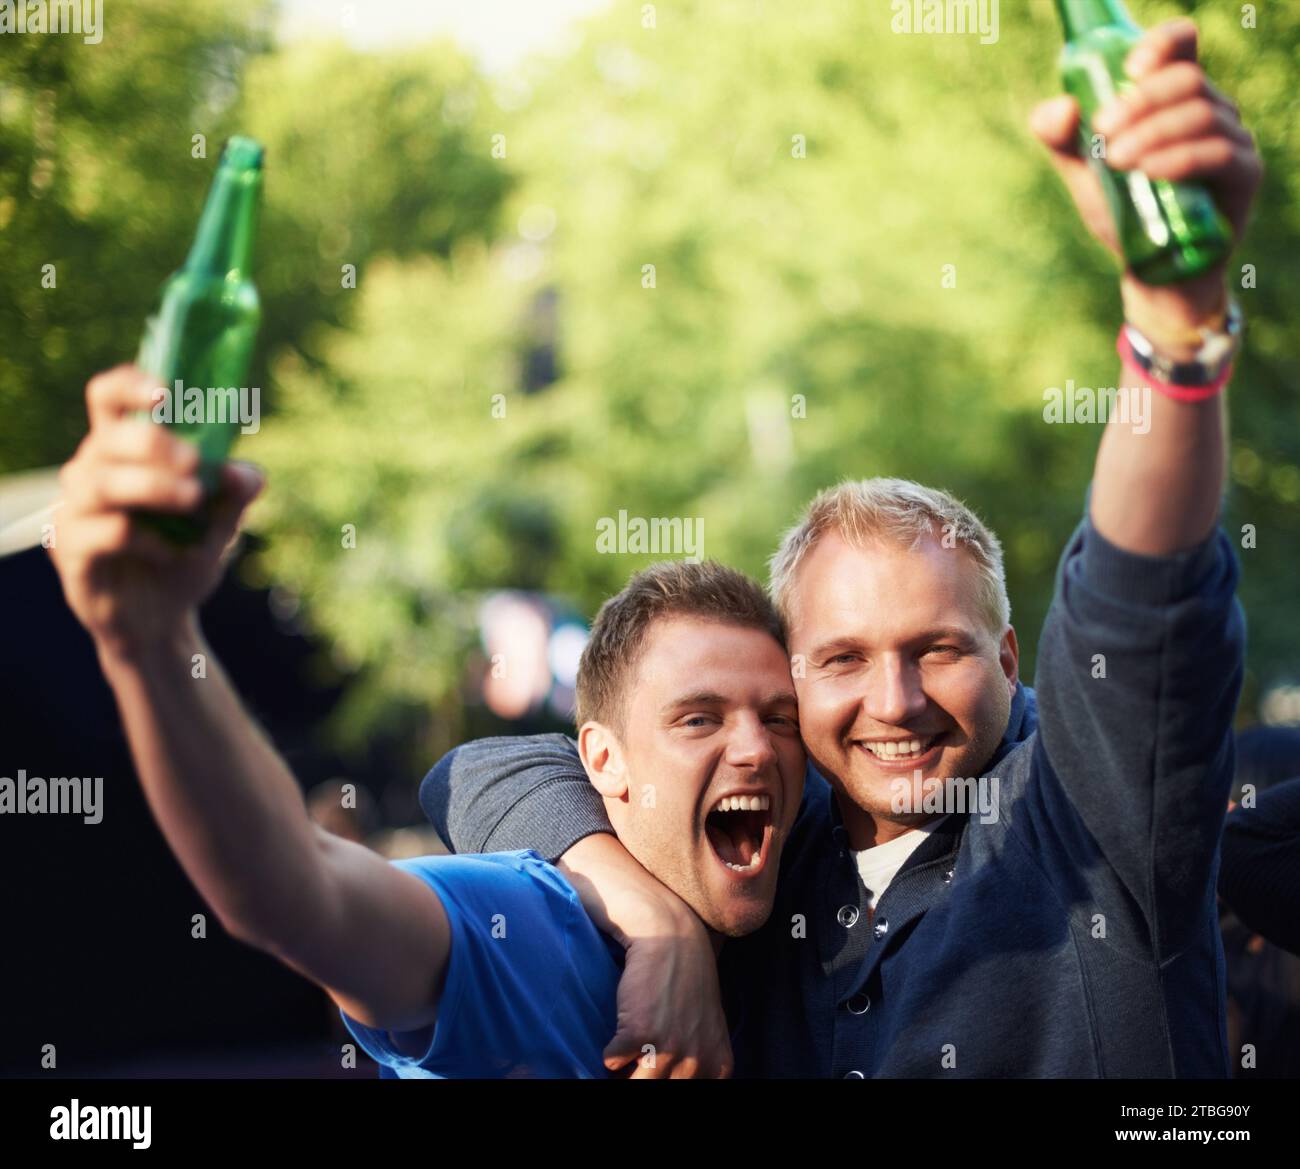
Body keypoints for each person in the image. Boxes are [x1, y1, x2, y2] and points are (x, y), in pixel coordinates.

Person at [421, 18, 1262, 1077]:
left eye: (938, 648)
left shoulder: (1088, 813)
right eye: (841, 659)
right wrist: (653, 916)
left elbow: (1143, 596)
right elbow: (480, 769)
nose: (895, 699)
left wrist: (1175, 322)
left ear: (1009, 656)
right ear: (792, 676)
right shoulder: (774, 852)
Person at [45, 414, 805, 1078]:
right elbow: (297, 889)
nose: (755, 748)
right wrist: (152, 641)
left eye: (780, 718)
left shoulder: (821, 882)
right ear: (603, 760)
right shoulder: (528, 927)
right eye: (698, 719)